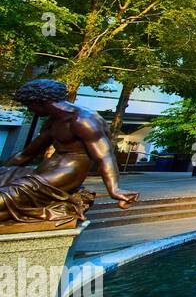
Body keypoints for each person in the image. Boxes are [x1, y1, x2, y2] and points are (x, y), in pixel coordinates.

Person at [1, 78, 137, 226]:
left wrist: (114, 189)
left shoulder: (83, 120)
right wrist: (4, 170)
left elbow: (105, 156)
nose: (29, 110)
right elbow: (26, 154)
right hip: (41, 173)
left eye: (29, 105)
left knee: (4, 199)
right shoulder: (52, 122)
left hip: (63, 176)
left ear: (40, 101)